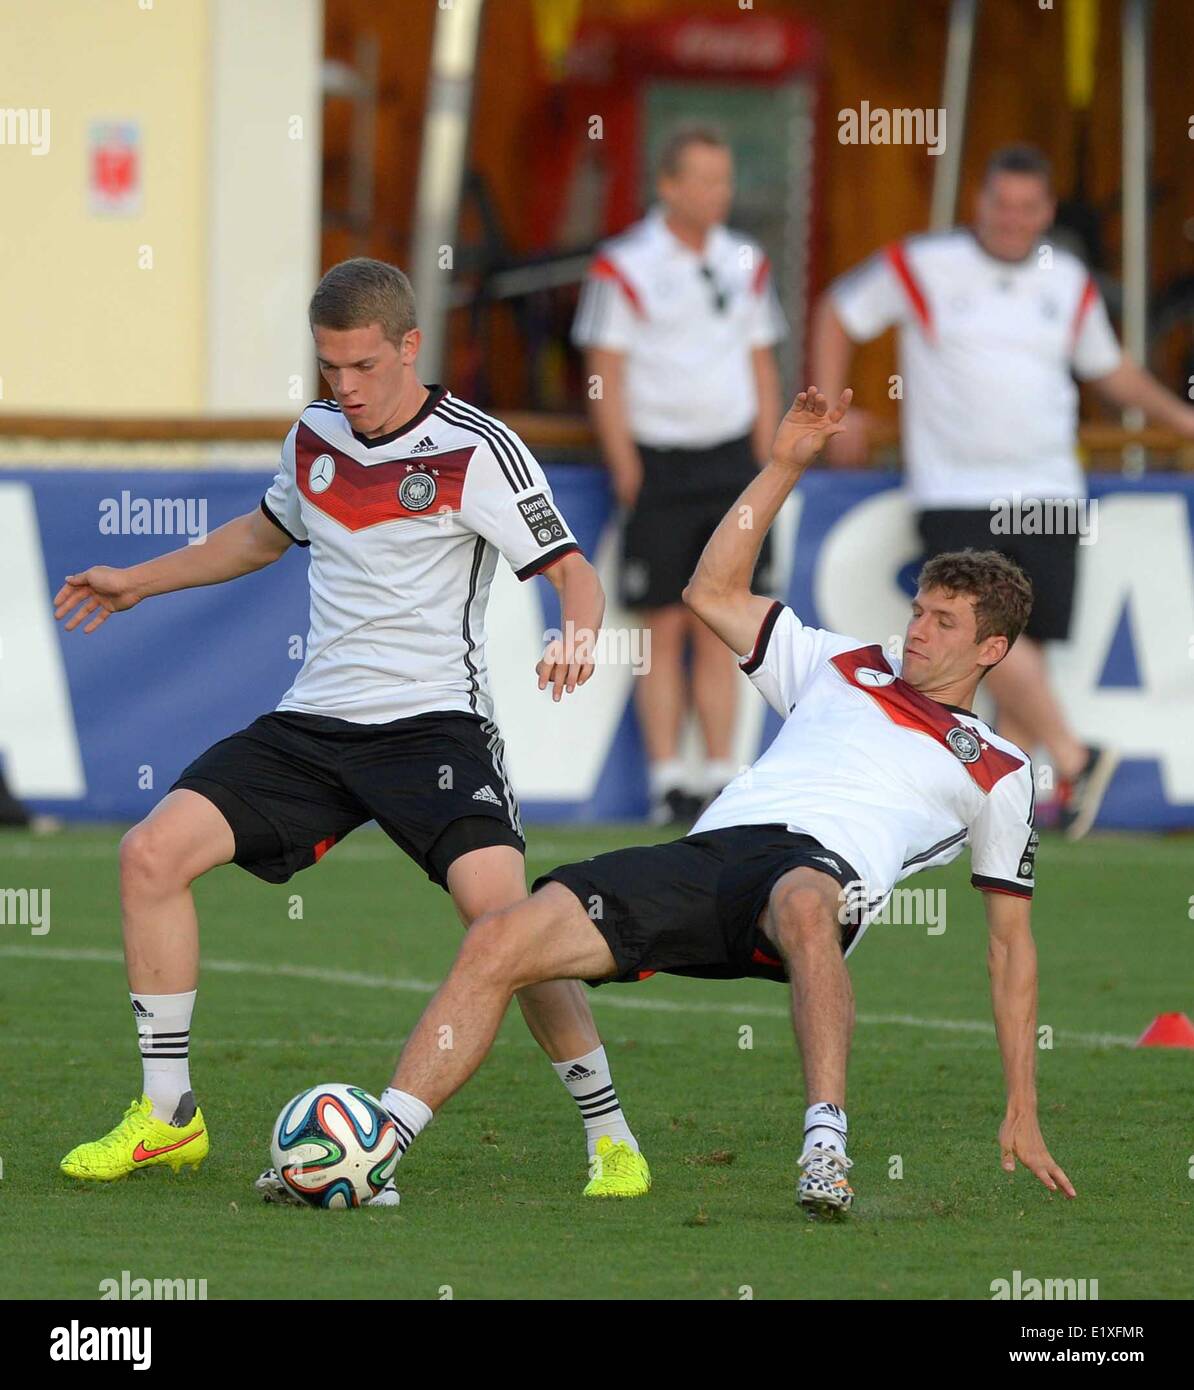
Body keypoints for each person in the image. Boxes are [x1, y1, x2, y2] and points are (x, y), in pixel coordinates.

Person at [365, 386, 1075, 1217]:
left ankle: (824, 1147)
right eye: (918, 609)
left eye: (945, 623)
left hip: (818, 873)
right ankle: (375, 1149)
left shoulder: (1000, 767)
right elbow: (710, 592)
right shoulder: (841, 662)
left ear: (992, 648)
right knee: (499, 936)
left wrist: (1022, 1106)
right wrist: (782, 465)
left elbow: (1010, 949)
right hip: (710, 857)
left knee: (811, 903)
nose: (918, 630)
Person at [53, 257, 650, 1200]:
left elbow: (570, 566)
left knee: (510, 928)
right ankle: (168, 1117)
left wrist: (581, 633)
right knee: (149, 854)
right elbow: (259, 534)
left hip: (433, 732)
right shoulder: (315, 437)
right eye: (331, 369)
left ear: (410, 346)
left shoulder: (477, 447)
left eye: (365, 367)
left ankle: (609, 1134)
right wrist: (137, 579)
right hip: (314, 727)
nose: (349, 389)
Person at [811, 143, 1194, 838]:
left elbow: (1112, 372)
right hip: (955, 486)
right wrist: (837, 410)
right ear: (978, 203)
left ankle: (1007, 806)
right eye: (1001, 203)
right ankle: (1077, 757)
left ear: (1045, 212)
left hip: (1048, 485)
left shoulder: (1066, 279)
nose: (1013, 219)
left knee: (1023, 642)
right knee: (984, 634)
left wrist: (1179, 417)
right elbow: (839, 310)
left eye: (1027, 207)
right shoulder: (926, 264)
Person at [572, 121, 787, 823]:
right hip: (659, 461)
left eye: (724, 180)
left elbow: (761, 359)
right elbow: (605, 366)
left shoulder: (745, 259)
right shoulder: (625, 264)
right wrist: (625, 462)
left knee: (720, 620)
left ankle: (723, 773)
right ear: (668, 186)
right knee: (661, 623)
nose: (718, 194)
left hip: (730, 460)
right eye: (703, 180)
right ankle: (670, 778)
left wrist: (767, 458)